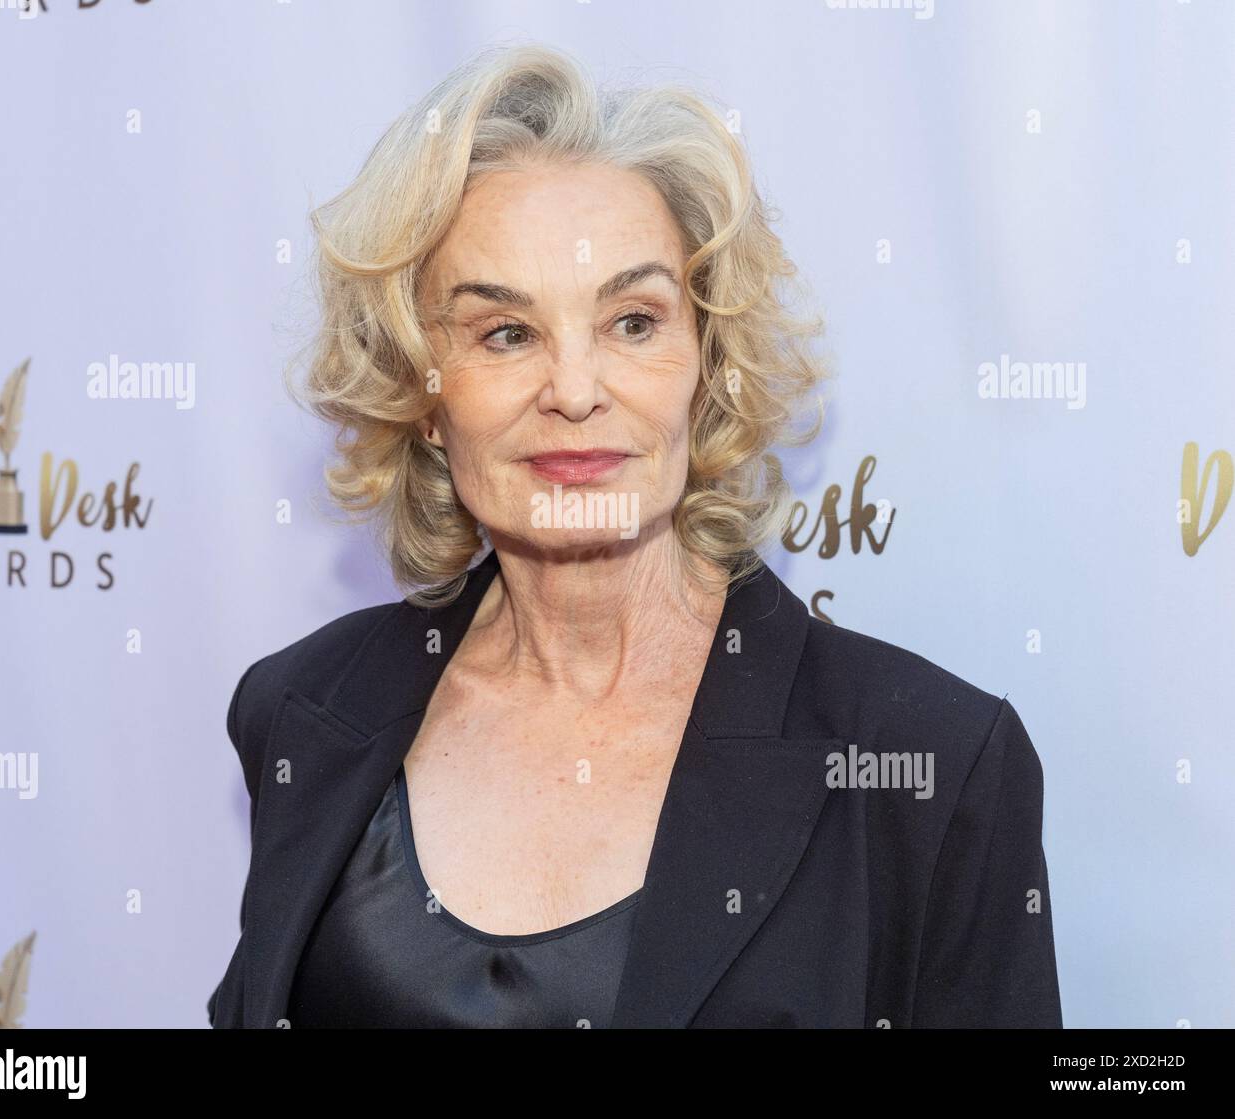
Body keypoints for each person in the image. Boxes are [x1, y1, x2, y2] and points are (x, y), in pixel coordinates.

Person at [207, 43, 1061, 1029]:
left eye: (632, 322)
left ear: (707, 366)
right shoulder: (300, 710)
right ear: (423, 397)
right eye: (504, 333)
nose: (574, 392)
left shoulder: (930, 763)